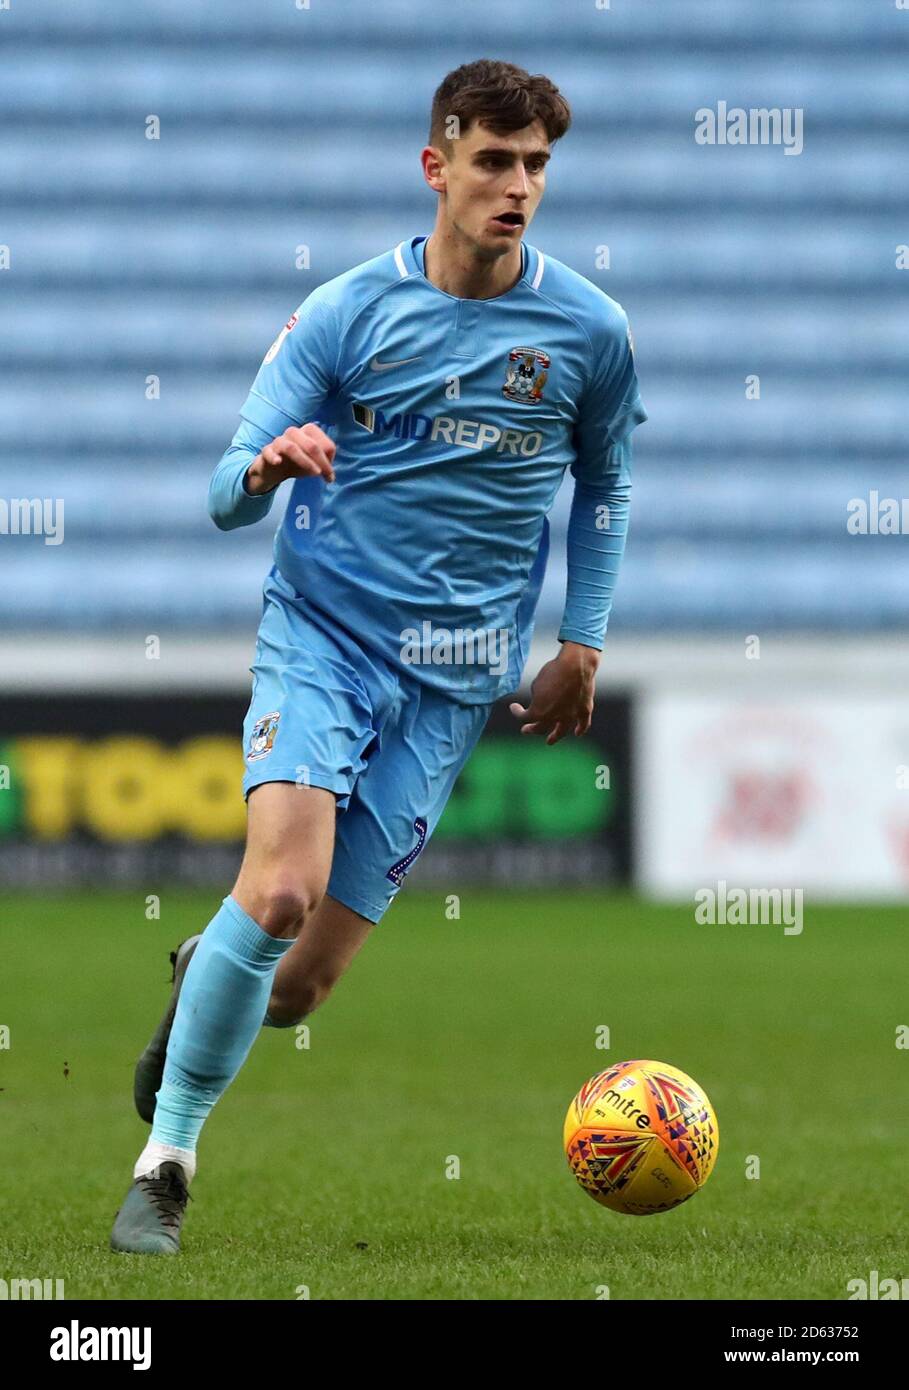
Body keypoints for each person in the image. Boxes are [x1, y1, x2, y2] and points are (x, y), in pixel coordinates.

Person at [110, 57, 647, 1255]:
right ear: (438, 165)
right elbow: (218, 493)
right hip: (325, 639)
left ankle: (216, 963)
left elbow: (606, 483)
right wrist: (265, 468)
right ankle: (166, 1162)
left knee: (295, 985)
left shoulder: (589, 332)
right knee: (284, 883)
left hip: (455, 681)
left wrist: (584, 638)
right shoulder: (347, 312)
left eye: (537, 166)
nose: (517, 188)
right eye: (495, 162)